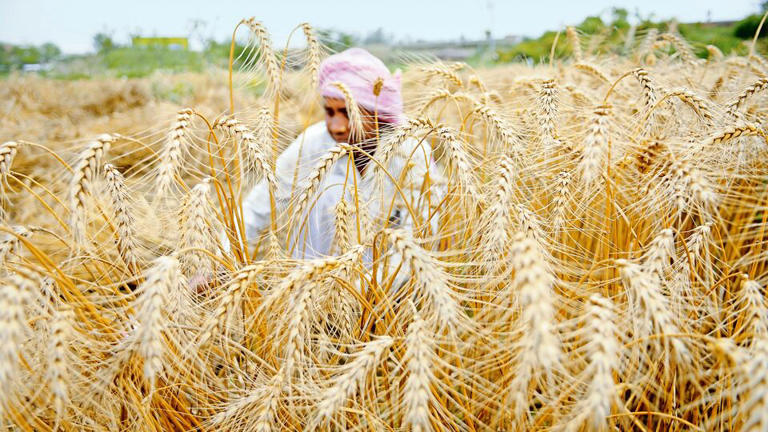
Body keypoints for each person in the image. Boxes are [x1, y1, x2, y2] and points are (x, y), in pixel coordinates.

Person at [200, 48, 440, 291]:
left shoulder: (410, 152)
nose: (336, 127)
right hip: (308, 295)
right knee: (329, 193)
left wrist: (358, 294)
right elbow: (259, 206)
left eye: (348, 113)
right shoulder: (313, 143)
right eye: (329, 112)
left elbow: (421, 236)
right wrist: (222, 264)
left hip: (388, 300)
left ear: (377, 112)